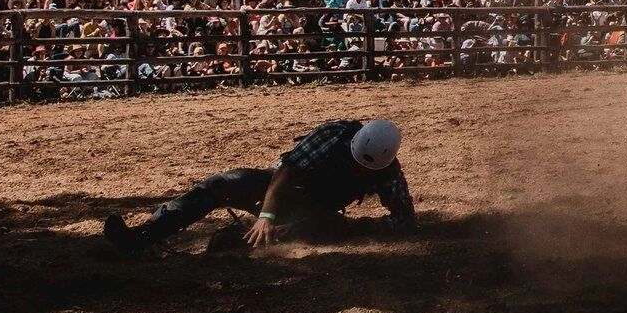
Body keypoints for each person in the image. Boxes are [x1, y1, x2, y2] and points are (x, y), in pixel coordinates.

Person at [103, 117, 414, 257]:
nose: (359, 169)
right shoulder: (333, 136)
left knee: (322, 227)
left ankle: (235, 246)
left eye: (365, 168)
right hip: (277, 189)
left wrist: (368, 227)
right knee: (221, 184)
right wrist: (266, 214)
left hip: (317, 214)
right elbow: (286, 172)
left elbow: (405, 217)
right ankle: (144, 236)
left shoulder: (389, 175)